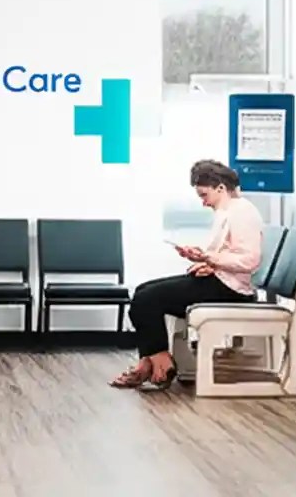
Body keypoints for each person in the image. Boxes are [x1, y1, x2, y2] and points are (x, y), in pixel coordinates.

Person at [110, 159, 263, 390]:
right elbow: (227, 255)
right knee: (142, 291)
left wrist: (209, 260)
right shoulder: (230, 211)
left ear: (221, 188)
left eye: (204, 195)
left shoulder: (242, 213)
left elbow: (249, 260)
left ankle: (158, 363)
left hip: (231, 291)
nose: (203, 202)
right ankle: (150, 361)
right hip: (220, 281)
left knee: (147, 299)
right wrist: (203, 260)